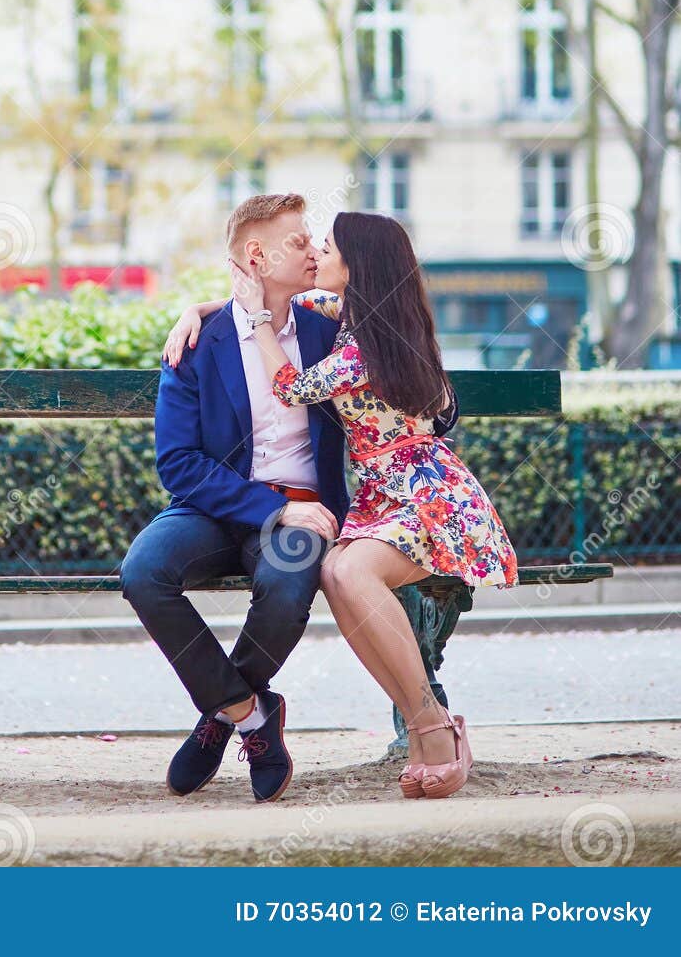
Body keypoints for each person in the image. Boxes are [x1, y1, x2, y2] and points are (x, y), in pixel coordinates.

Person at [167, 210, 518, 802]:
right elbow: (279, 310)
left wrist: (250, 316)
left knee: (347, 570)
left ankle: (430, 728)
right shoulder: (361, 319)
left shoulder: (362, 347)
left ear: (355, 268)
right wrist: (201, 310)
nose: (314, 257)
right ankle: (425, 721)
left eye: (325, 248)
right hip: (388, 494)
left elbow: (288, 387)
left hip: (425, 498)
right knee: (334, 570)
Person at [120, 193, 349, 803]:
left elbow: (399, 307)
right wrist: (272, 509)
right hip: (216, 508)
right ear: (257, 253)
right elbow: (178, 464)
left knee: (291, 572)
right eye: (299, 241)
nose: (312, 249)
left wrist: (294, 513)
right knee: (143, 571)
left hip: (309, 511)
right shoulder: (198, 342)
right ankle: (252, 715)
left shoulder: (332, 328)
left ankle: (219, 714)